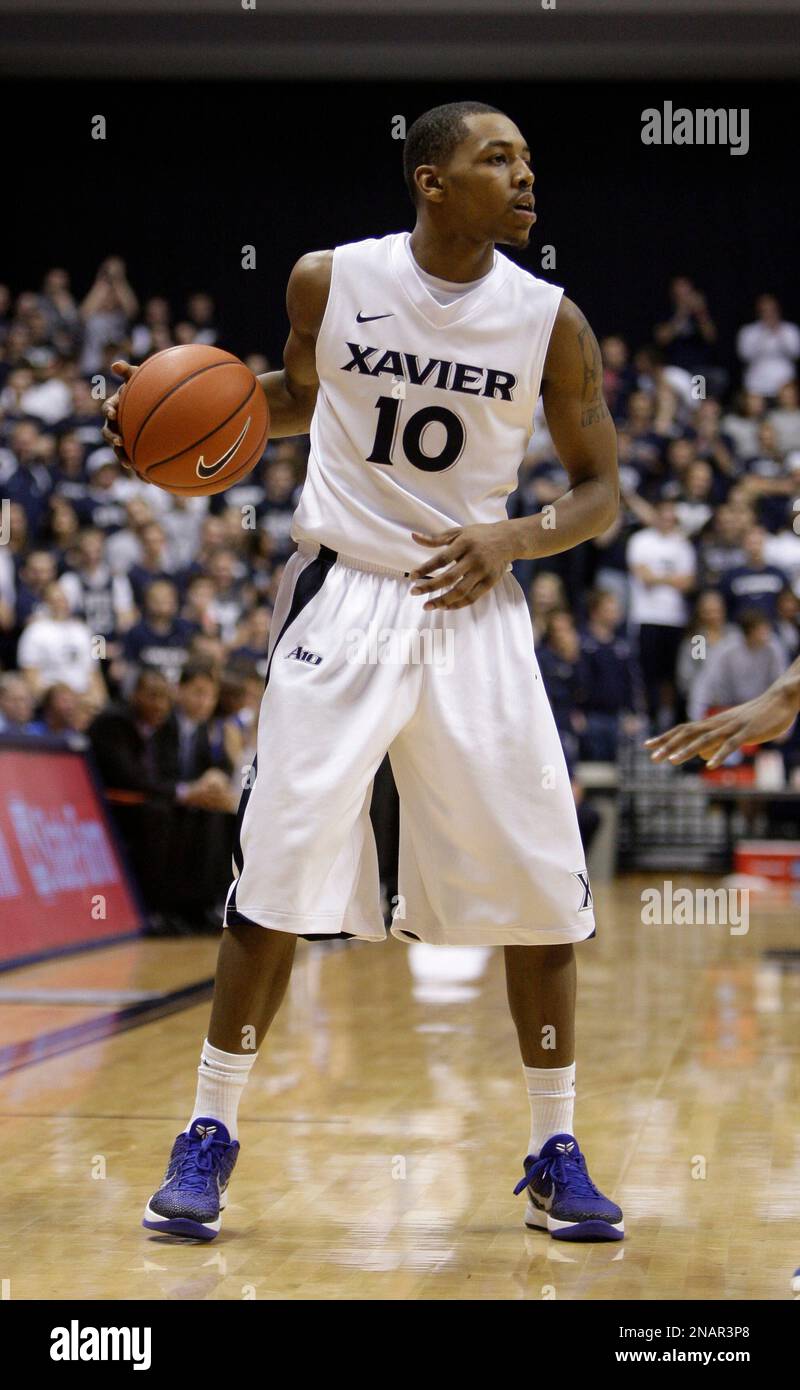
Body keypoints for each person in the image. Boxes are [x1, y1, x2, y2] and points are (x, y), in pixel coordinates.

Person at [103, 101, 622, 1244]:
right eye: (498, 160)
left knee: (542, 885)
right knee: (277, 869)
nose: (526, 177)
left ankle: (553, 1147)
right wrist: (164, 419)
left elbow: (598, 490)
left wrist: (516, 536)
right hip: (348, 593)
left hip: (475, 605)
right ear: (430, 180)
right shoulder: (326, 280)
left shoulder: (548, 322)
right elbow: (286, 402)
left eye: (528, 162)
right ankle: (208, 1135)